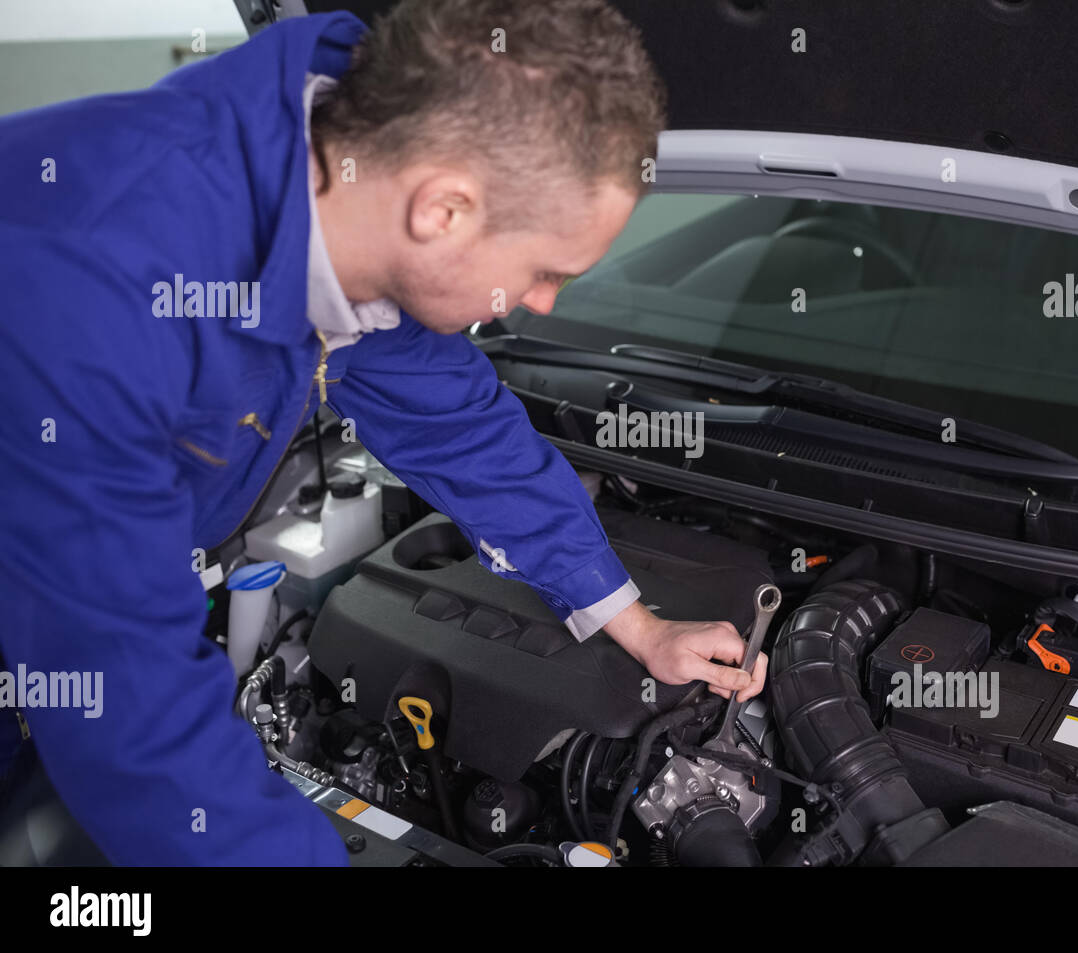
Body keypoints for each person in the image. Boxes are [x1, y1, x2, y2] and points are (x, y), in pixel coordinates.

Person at [0, 0, 767, 866]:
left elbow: (466, 434)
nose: (547, 302)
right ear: (444, 210)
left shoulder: (339, 211)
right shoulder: (100, 286)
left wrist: (639, 626)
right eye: (547, 271)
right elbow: (133, 716)